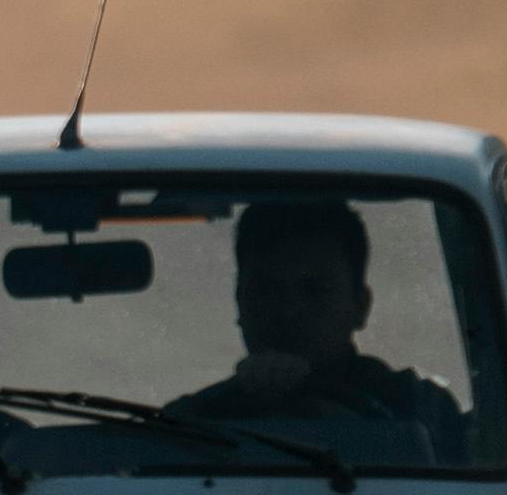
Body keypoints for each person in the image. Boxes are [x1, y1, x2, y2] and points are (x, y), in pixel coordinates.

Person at [169, 195, 470, 465]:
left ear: (360, 306)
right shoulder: (184, 423)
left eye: (315, 291)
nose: (289, 311)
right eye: (267, 291)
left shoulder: (420, 408)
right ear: (240, 302)